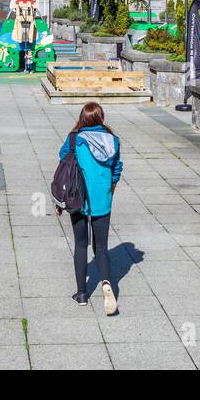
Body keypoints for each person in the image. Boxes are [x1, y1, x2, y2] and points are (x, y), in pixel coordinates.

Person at [56, 102, 122, 314]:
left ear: (83, 118)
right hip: (103, 197)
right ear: (101, 118)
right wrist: (110, 186)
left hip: (78, 198)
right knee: (102, 246)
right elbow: (117, 167)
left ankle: (82, 294)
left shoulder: (75, 138)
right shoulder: (113, 140)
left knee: (81, 245)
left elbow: (62, 158)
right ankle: (106, 283)